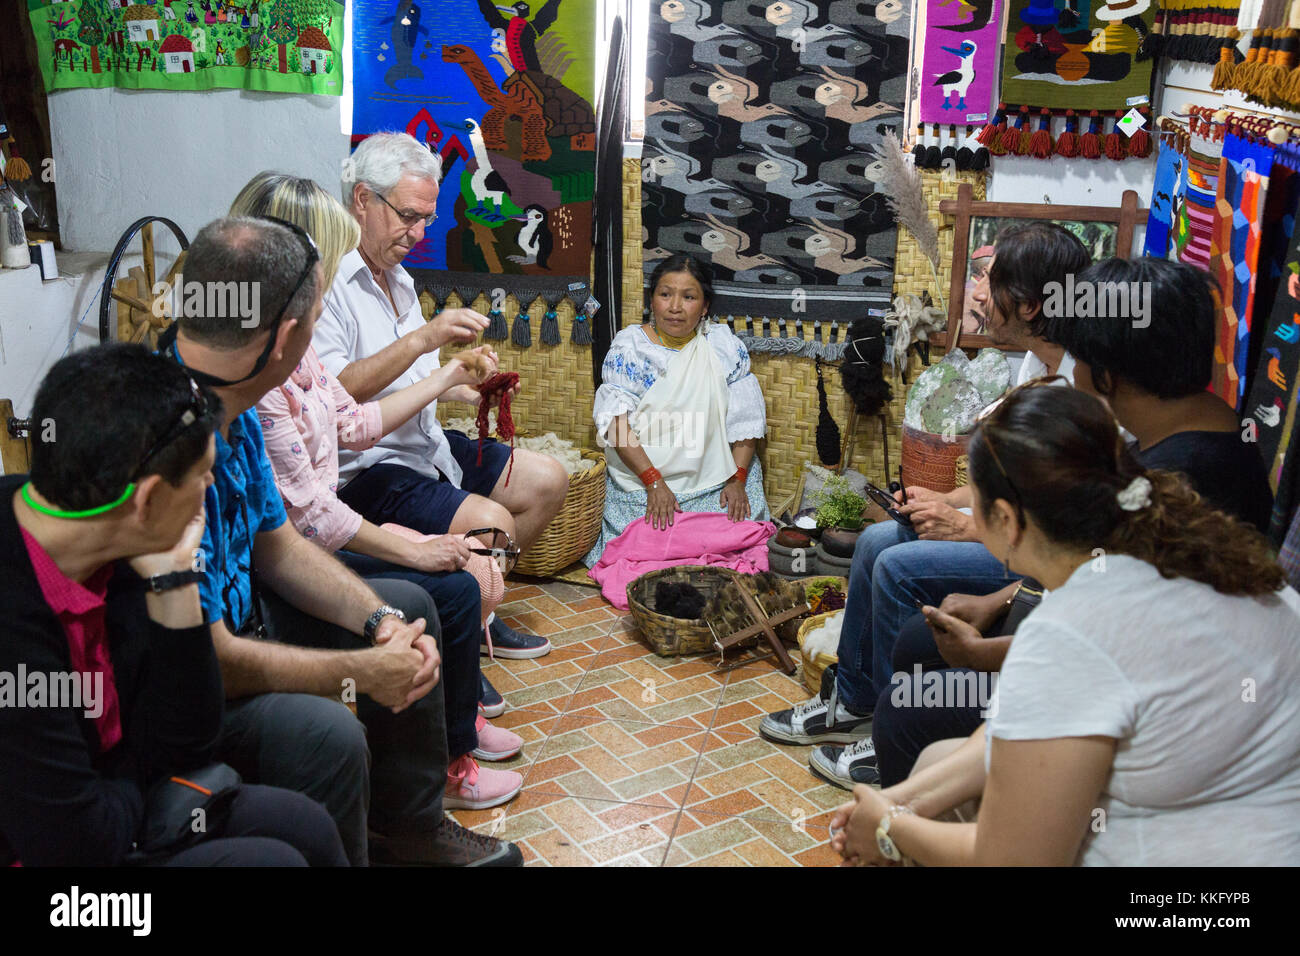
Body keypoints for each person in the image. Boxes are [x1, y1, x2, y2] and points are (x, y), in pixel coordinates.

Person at [160, 215, 521, 866]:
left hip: (251, 616)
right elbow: (206, 658)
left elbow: (279, 545)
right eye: (318, 320)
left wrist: (377, 619)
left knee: (410, 611)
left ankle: (408, 831)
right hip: (187, 684)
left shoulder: (230, 394)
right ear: (289, 338)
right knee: (330, 732)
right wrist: (358, 672)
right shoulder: (171, 438)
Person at [830, 383, 1300, 866]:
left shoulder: (1071, 628)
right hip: (1253, 818)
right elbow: (1003, 732)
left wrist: (890, 830)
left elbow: (1015, 860)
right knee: (935, 764)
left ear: (1006, 520)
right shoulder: (1179, 547)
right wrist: (902, 799)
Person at [869, 255, 1277, 787]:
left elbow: (1121, 645)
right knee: (914, 647)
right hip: (1081, 636)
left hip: (1128, 695)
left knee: (906, 713)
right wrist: (1000, 599)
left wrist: (984, 655)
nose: (1069, 371)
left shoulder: (1185, 478)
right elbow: (1092, 577)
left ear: (1108, 371)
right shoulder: (1179, 435)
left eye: (1078, 357)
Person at [760, 222, 1091, 785]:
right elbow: (1001, 485)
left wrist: (962, 528)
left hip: (1042, 553)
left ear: (1033, 304)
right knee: (873, 540)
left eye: (992, 280)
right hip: (1006, 530)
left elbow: (1070, 533)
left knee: (895, 564)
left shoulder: (1083, 388)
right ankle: (858, 702)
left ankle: (892, 736)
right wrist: (946, 498)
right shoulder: (1039, 363)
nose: (978, 294)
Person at [230, 172, 524, 807]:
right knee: (438, 586)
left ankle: (455, 723)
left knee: (457, 563)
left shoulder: (292, 357)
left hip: (323, 526)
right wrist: (410, 551)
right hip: (296, 558)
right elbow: (306, 518)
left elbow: (353, 423)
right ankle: (439, 775)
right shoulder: (252, 382)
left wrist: (446, 377)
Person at [1, 345, 346, 866]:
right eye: (202, 475)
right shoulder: (15, 623)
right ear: (149, 500)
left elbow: (187, 747)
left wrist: (177, 578)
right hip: (60, 859)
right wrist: (139, 780)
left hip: (112, 809)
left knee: (305, 827)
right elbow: (74, 840)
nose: (210, 485)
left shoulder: (111, 534)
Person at [315, 131, 568, 660]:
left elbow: (422, 381)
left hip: (421, 444)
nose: (418, 231)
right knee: (494, 526)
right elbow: (335, 395)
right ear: (362, 200)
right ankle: (460, 633)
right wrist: (425, 340)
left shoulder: (398, 280)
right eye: (408, 215)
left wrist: (464, 381)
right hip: (366, 468)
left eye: (426, 218)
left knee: (548, 481)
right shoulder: (327, 283)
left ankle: (479, 608)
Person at [586, 254, 769, 562]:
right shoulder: (630, 348)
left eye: (689, 297)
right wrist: (654, 482)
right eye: (665, 294)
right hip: (643, 476)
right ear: (652, 299)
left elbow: (746, 420)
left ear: (705, 306)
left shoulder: (722, 346)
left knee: (739, 532)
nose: (675, 307)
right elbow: (616, 425)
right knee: (646, 544)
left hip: (715, 476)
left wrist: (737, 478)